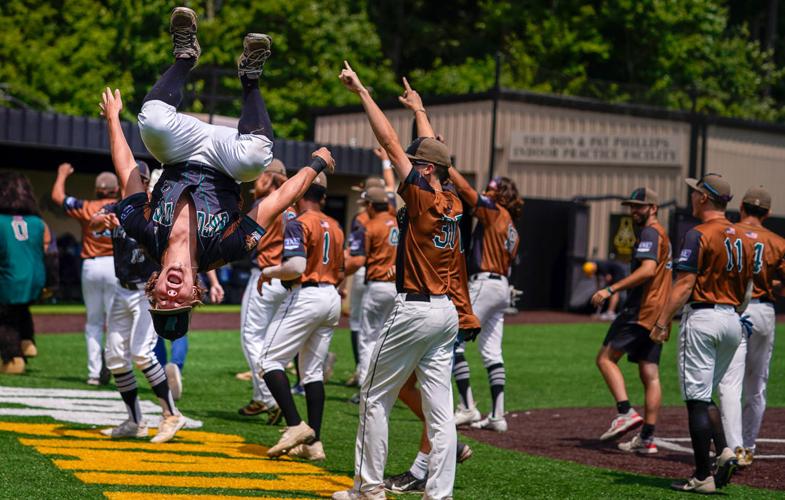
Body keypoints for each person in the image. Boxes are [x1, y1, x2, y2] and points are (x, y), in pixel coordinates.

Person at [106, 6, 334, 340]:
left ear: (152, 288)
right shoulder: (229, 248)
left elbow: (127, 170)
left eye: (161, 302)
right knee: (256, 158)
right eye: (177, 303)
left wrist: (112, 118)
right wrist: (315, 165)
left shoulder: (144, 230)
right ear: (195, 294)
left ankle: (185, 56)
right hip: (227, 163)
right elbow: (274, 203)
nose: (170, 296)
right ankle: (250, 78)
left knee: (151, 121)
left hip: (179, 154)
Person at [334, 65, 460, 500]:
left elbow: (390, 142)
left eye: (416, 160)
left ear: (424, 168)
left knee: (373, 396)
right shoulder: (453, 200)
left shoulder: (422, 193)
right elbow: (436, 153)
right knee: (442, 413)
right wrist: (420, 109)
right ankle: (439, 495)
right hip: (446, 313)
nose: (408, 162)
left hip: (416, 309)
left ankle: (368, 489)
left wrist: (363, 91)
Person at [650, 174, 751, 493]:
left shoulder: (698, 234)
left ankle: (702, 476)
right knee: (705, 393)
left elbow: (684, 284)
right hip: (732, 320)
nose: (692, 197)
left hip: (704, 318)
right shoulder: (745, 238)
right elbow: (747, 290)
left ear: (705, 198)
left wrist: (662, 320)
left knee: (695, 398)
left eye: (695, 193)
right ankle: (724, 450)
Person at [384, 180, 479, 494]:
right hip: (448, 306)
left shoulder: (435, 211)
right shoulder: (451, 215)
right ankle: (444, 447)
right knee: (418, 392)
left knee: (430, 399)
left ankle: (426, 464)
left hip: (438, 306)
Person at [90, 161, 187, 443]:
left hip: (147, 289)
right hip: (122, 289)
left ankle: (171, 414)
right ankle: (135, 421)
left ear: (147, 182)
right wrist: (102, 220)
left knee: (142, 353)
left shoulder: (157, 210)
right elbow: (95, 219)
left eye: (139, 179)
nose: (133, 184)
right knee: (116, 357)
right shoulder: (119, 207)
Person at [259, 171, 344, 460]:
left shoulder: (299, 222)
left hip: (307, 294)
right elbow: (342, 270)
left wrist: (268, 272)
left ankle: (295, 425)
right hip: (331, 296)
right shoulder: (335, 224)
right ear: (323, 198)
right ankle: (313, 443)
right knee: (312, 372)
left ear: (299, 195)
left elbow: (295, 267)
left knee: (269, 360)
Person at [589, 188, 671, 453]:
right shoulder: (662, 235)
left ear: (653, 208)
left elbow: (647, 271)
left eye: (639, 206)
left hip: (640, 310)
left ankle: (625, 412)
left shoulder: (649, 232)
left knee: (604, 358)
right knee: (651, 374)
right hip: (659, 314)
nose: (634, 211)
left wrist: (610, 290)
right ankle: (647, 439)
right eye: (631, 206)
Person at [447, 167, 522, 432]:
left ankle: (467, 407)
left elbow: (468, 193)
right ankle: (498, 415)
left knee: (451, 340)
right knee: (492, 352)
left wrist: (447, 167)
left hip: (485, 283)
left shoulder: (494, 211)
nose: (487, 192)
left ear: (500, 195)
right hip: (502, 287)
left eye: (491, 188)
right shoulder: (512, 226)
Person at [716, 186, 785, 467]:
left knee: (729, 382)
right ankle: (748, 447)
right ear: (767, 213)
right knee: (756, 385)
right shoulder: (779, 242)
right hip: (764, 311)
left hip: (735, 309)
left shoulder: (728, 232)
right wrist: (772, 285)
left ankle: (733, 448)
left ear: (741, 207)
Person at [51, 162, 118, 385]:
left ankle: (93, 374)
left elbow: (58, 197)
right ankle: (117, 368)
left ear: (97, 189)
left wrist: (62, 174)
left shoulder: (86, 206)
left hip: (91, 265)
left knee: (93, 322)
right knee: (115, 321)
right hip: (115, 267)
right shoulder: (122, 206)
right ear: (115, 190)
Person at [237, 159, 292, 423]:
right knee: (270, 342)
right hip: (289, 279)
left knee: (252, 337)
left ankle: (271, 397)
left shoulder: (265, 203)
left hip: (265, 276)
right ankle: (263, 398)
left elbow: (245, 241)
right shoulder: (294, 204)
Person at [344, 185, 398, 402]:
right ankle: (388, 387)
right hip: (397, 287)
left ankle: (367, 389)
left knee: (368, 340)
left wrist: (339, 274)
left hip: (377, 286)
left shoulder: (370, 225)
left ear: (370, 205)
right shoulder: (397, 222)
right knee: (387, 340)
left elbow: (358, 260)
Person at [0, 173, 54, 374]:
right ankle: (27, 342)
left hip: (10, 279)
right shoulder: (38, 223)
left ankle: (12, 359)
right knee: (21, 310)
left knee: (5, 319)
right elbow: (50, 253)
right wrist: (51, 282)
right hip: (35, 279)